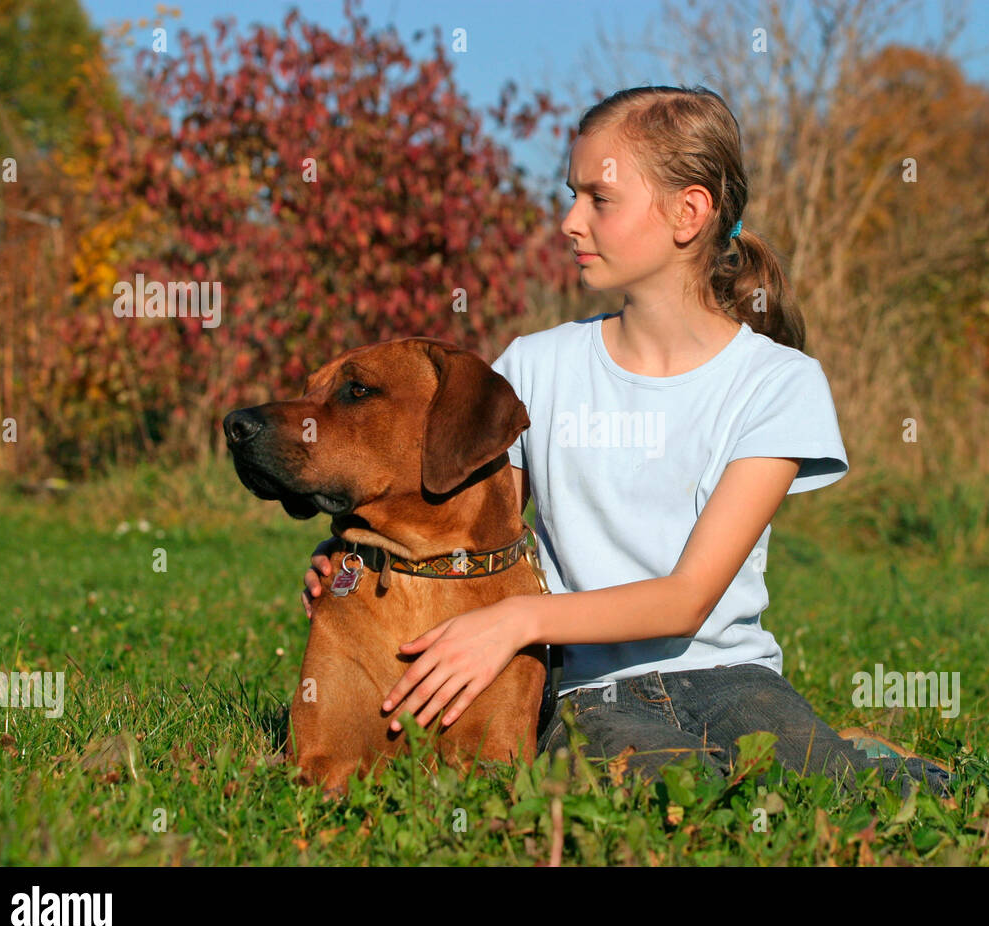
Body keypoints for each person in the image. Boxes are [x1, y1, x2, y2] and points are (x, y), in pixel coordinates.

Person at [301, 85, 953, 799]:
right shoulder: (534, 365)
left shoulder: (778, 382)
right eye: (570, 195)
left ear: (688, 212)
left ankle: (870, 763)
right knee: (661, 795)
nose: (569, 221)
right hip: (590, 691)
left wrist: (519, 618)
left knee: (824, 796)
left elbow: (687, 600)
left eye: (597, 199)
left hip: (735, 679)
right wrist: (357, 557)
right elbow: (469, 533)